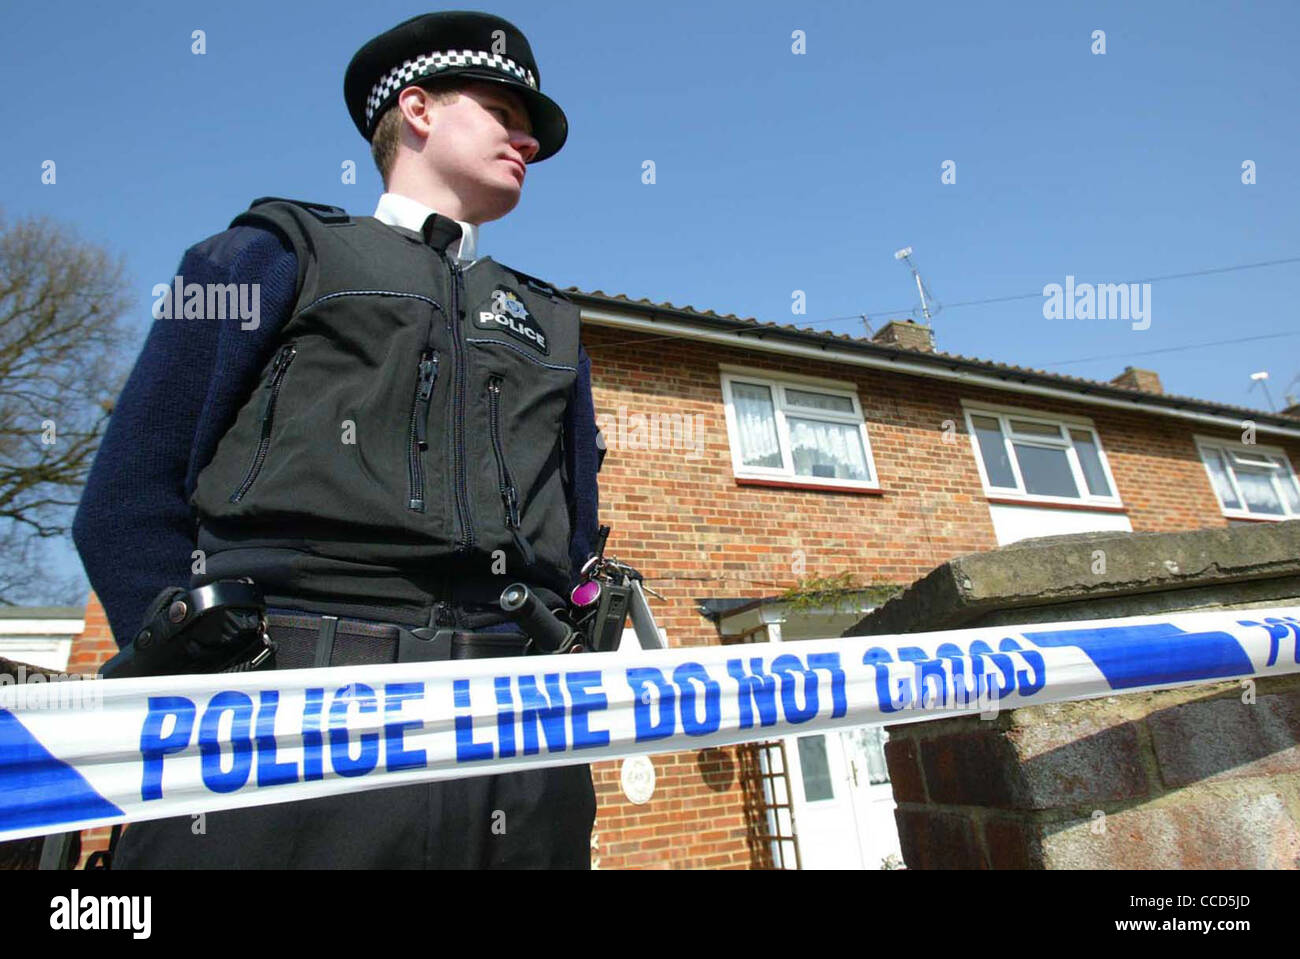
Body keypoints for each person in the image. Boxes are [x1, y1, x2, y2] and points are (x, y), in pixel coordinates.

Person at [72, 10, 604, 868]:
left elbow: (574, 540)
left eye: (533, 128)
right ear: (419, 108)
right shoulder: (259, 257)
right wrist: (216, 689)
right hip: (287, 747)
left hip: (520, 747)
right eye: (505, 110)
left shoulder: (553, 324)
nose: (527, 140)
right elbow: (126, 501)